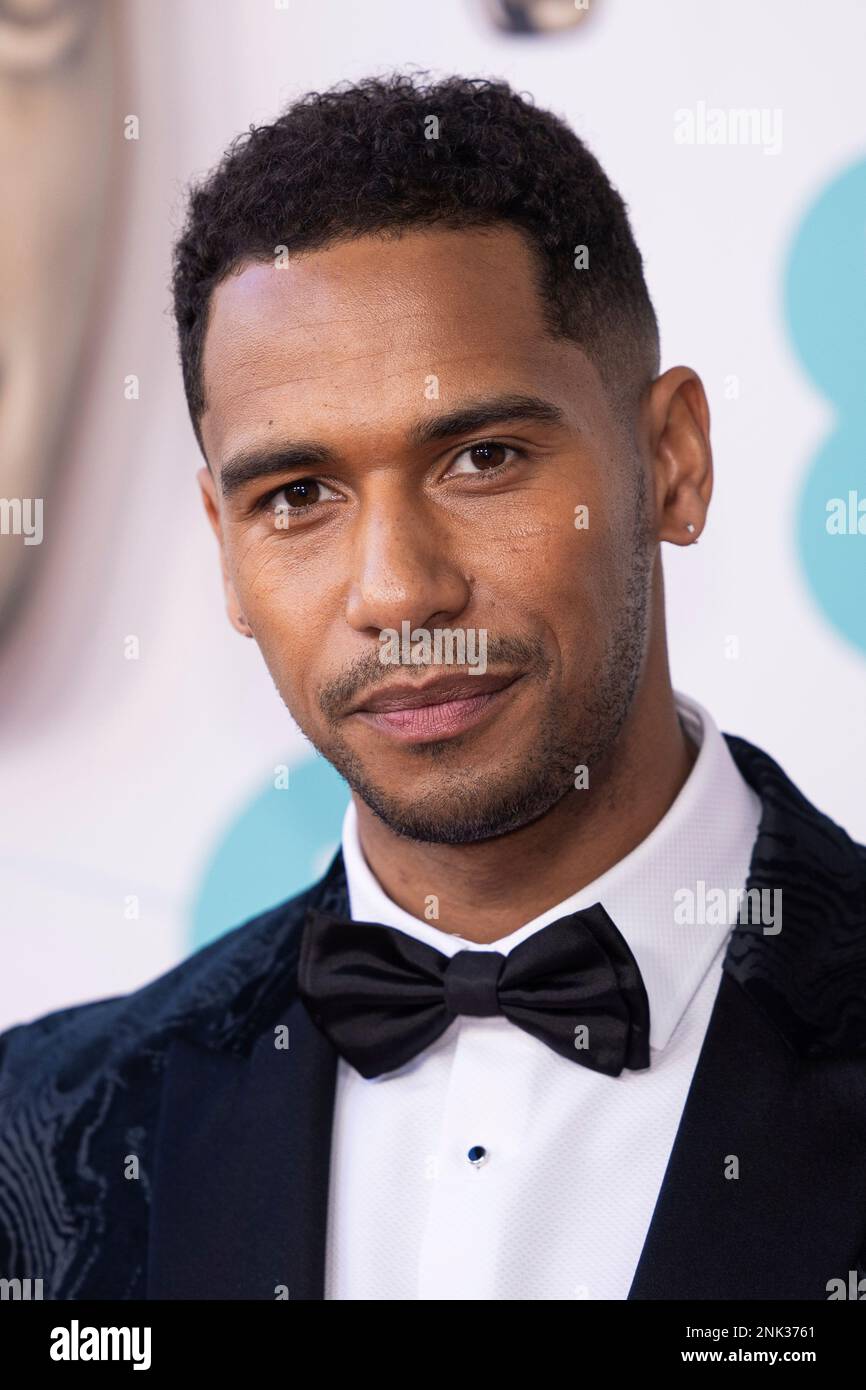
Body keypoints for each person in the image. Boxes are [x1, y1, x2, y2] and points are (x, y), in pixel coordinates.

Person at [2, 73, 864, 1302]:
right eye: (296, 495)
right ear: (224, 547)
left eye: (480, 458)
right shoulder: (35, 1135)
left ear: (669, 460)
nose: (397, 592)